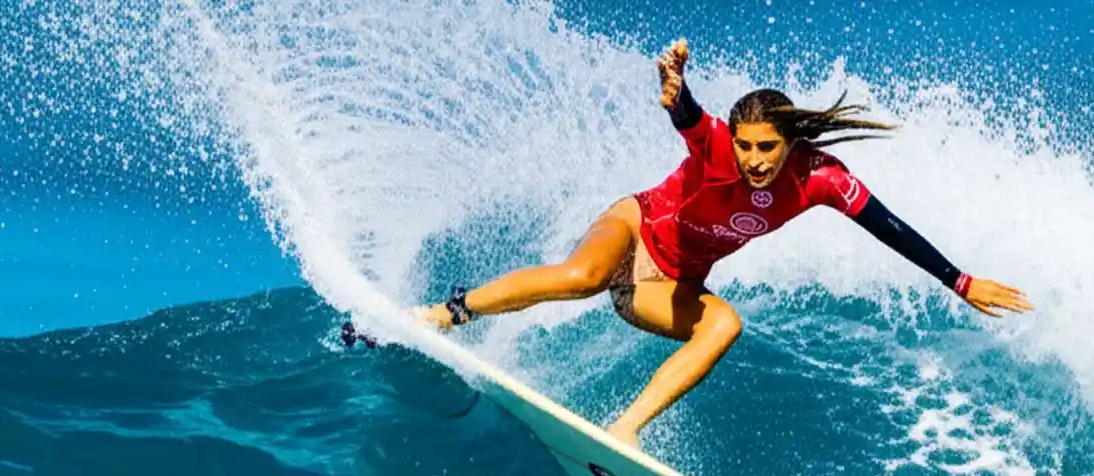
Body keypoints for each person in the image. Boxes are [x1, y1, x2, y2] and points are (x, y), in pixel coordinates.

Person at [417, 39, 1033, 448]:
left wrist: (960, 281)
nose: (754, 160)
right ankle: (446, 313)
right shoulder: (715, 145)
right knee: (583, 278)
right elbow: (689, 114)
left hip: (668, 284)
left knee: (725, 325)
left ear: (790, 142)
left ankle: (623, 432)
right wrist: (675, 86)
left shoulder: (821, 180)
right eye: (746, 146)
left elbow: (887, 226)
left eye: (767, 147)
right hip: (633, 229)